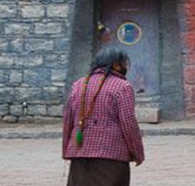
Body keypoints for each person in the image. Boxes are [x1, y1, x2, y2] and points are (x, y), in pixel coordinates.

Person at [61, 47, 145, 186]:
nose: (125, 67)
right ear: (116, 65)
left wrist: (67, 150)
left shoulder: (78, 85)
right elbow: (128, 123)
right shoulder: (122, 86)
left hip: (80, 153)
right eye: (124, 64)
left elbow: (68, 121)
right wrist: (137, 153)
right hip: (112, 155)